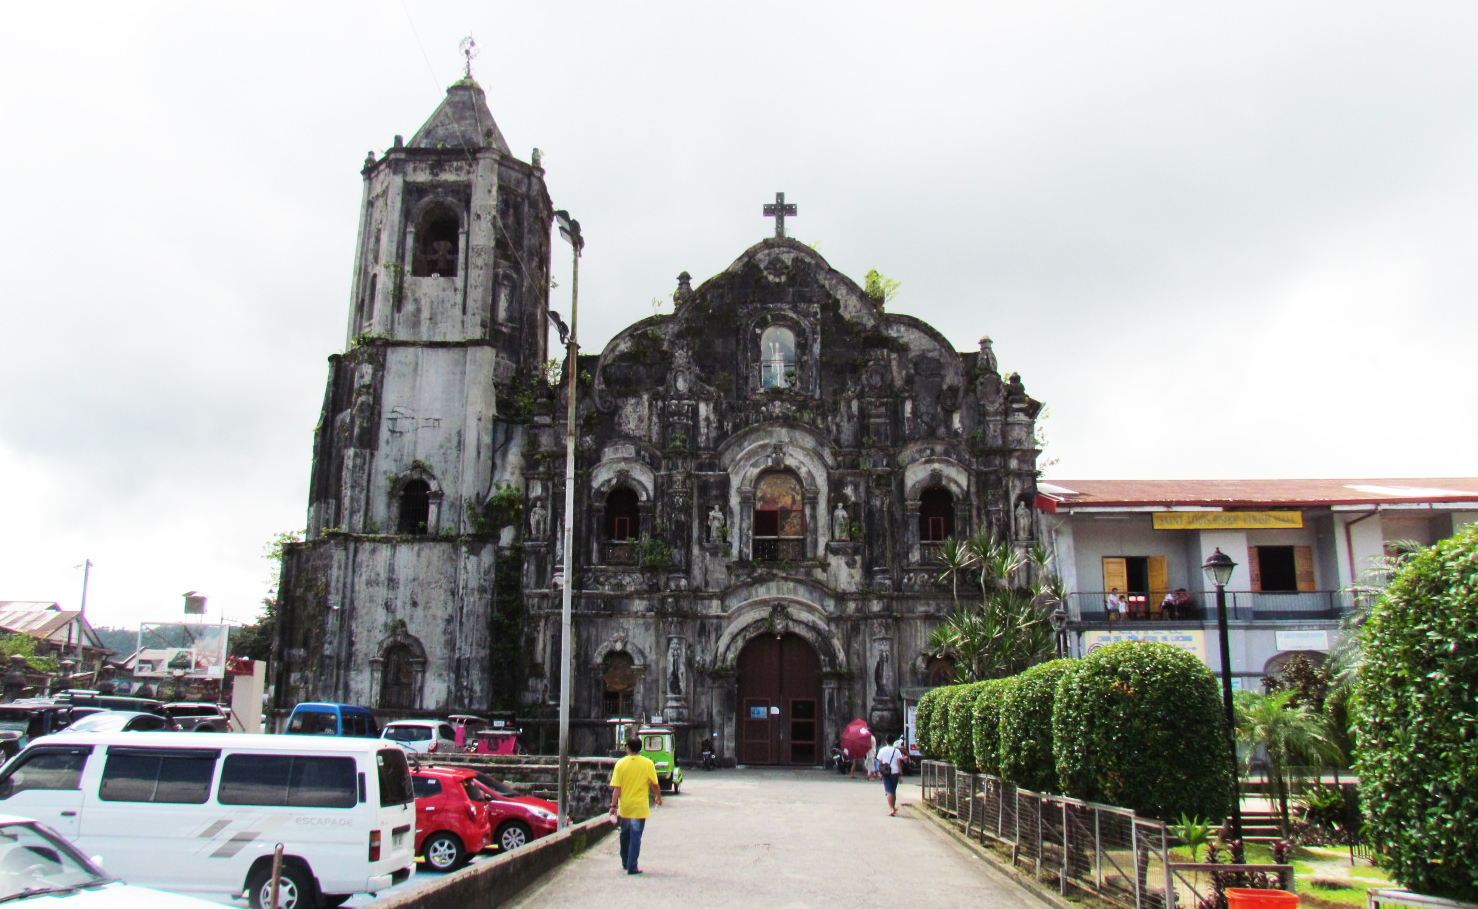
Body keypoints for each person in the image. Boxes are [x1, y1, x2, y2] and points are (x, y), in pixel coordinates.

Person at [609, 736, 662, 875]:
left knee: (625, 834)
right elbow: (655, 784)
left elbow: (617, 788)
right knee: (635, 836)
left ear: (628, 748)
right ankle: (632, 865)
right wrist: (658, 797)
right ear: (640, 748)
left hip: (625, 806)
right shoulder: (648, 763)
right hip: (640, 806)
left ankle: (625, 861)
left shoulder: (620, 764)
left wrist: (613, 806)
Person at [877, 736, 907, 816]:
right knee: (893, 790)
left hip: (886, 772)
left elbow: (880, 763)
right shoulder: (896, 751)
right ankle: (893, 807)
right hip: (895, 772)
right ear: (893, 742)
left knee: (888, 791)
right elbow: (899, 763)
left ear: (885, 741)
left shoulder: (882, 750)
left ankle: (891, 808)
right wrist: (901, 774)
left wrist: (880, 773)